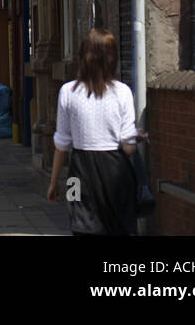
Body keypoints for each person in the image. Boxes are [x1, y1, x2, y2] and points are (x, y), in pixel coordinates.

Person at [46, 28, 139, 235]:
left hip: (77, 171)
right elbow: (129, 146)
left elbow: (61, 145)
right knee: (118, 228)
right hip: (116, 172)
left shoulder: (68, 92)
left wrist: (54, 182)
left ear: (82, 57)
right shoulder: (122, 92)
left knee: (79, 224)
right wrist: (136, 137)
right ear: (112, 58)